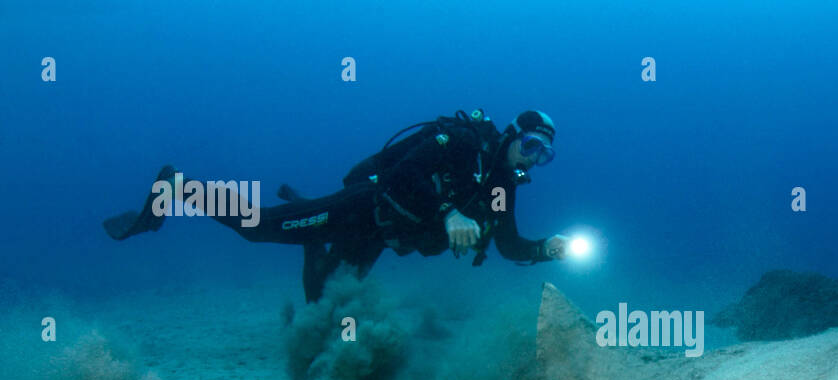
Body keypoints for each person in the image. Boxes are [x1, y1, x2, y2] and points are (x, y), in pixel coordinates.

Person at [104, 109, 570, 301]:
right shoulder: (462, 144)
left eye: (543, 156)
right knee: (258, 226)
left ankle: (313, 245)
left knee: (326, 305)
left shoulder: (501, 188)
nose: (533, 159)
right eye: (530, 146)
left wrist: (547, 247)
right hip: (362, 207)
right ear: (512, 135)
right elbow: (400, 173)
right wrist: (449, 212)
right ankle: (177, 185)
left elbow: (508, 246)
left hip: (381, 239)